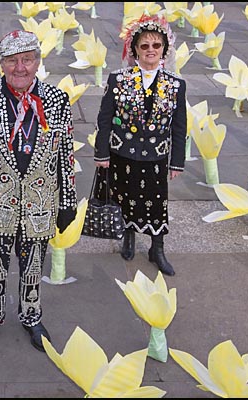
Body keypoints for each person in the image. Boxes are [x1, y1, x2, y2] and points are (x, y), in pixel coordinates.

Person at [0, 30, 77, 353]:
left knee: (34, 264)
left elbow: (66, 153)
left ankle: (31, 316)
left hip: (39, 199)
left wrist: (67, 200)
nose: (19, 68)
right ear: (1, 64)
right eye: (11, 61)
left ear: (37, 62)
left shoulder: (57, 99)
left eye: (26, 60)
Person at [93, 14, 187, 276]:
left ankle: (157, 249)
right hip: (123, 152)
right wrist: (101, 153)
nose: (150, 51)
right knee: (126, 197)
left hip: (156, 156)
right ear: (134, 49)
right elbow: (104, 119)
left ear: (164, 49)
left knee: (156, 203)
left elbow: (179, 127)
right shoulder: (118, 79)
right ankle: (129, 237)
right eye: (144, 45)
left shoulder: (176, 84)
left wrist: (176, 161)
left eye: (156, 45)